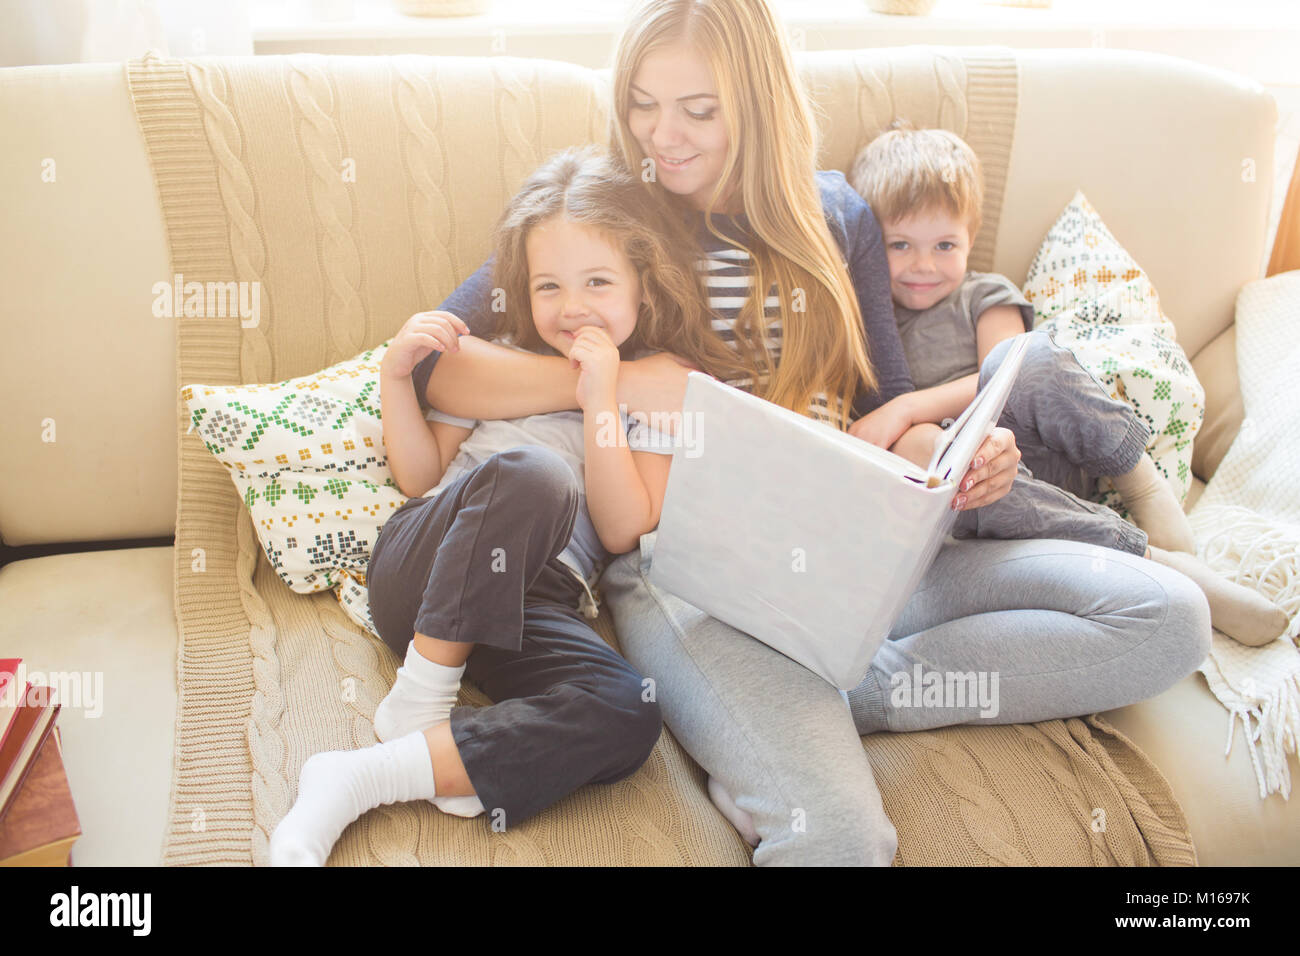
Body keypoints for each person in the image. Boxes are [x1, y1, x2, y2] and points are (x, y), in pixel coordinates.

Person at [405, 0, 1212, 866]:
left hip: (855, 537)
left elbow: (883, 402)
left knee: (1168, 616)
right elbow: (437, 367)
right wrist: (628, 379)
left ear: (756, 101)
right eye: (643, 102)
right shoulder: (612, 206)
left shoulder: (837, 217)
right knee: (839, 839)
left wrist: (955, 459)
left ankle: (845, 689)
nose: (664, 134)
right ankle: (782, 701)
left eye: (699, 109)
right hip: (698, 568)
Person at [269, 146, 743, 866]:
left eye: (598, 282)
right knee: (536, 475)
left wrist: (603, 400)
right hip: (425, 578)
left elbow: (622, 526)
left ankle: (360, 776)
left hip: (533, 605)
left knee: (629, 710)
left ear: (643, 289)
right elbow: (418, 476)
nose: (572, 305)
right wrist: (396, 382)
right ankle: (422, 697)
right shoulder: (496, 355)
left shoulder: (656, 392)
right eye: (549, 285)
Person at [849, 122, 1288, 648]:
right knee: (925, 452)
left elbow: (1004, 379)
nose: (924, 265)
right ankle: (1155, 561)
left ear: (972, 236)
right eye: (901, 245)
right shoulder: (866, 322)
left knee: (1027, 355)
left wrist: (906, 407)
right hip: (989, 501)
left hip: (1037, 446)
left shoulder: (983, 293)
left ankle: (1144, 487)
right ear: (874, 247)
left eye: (945, 244)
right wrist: (909, 430)